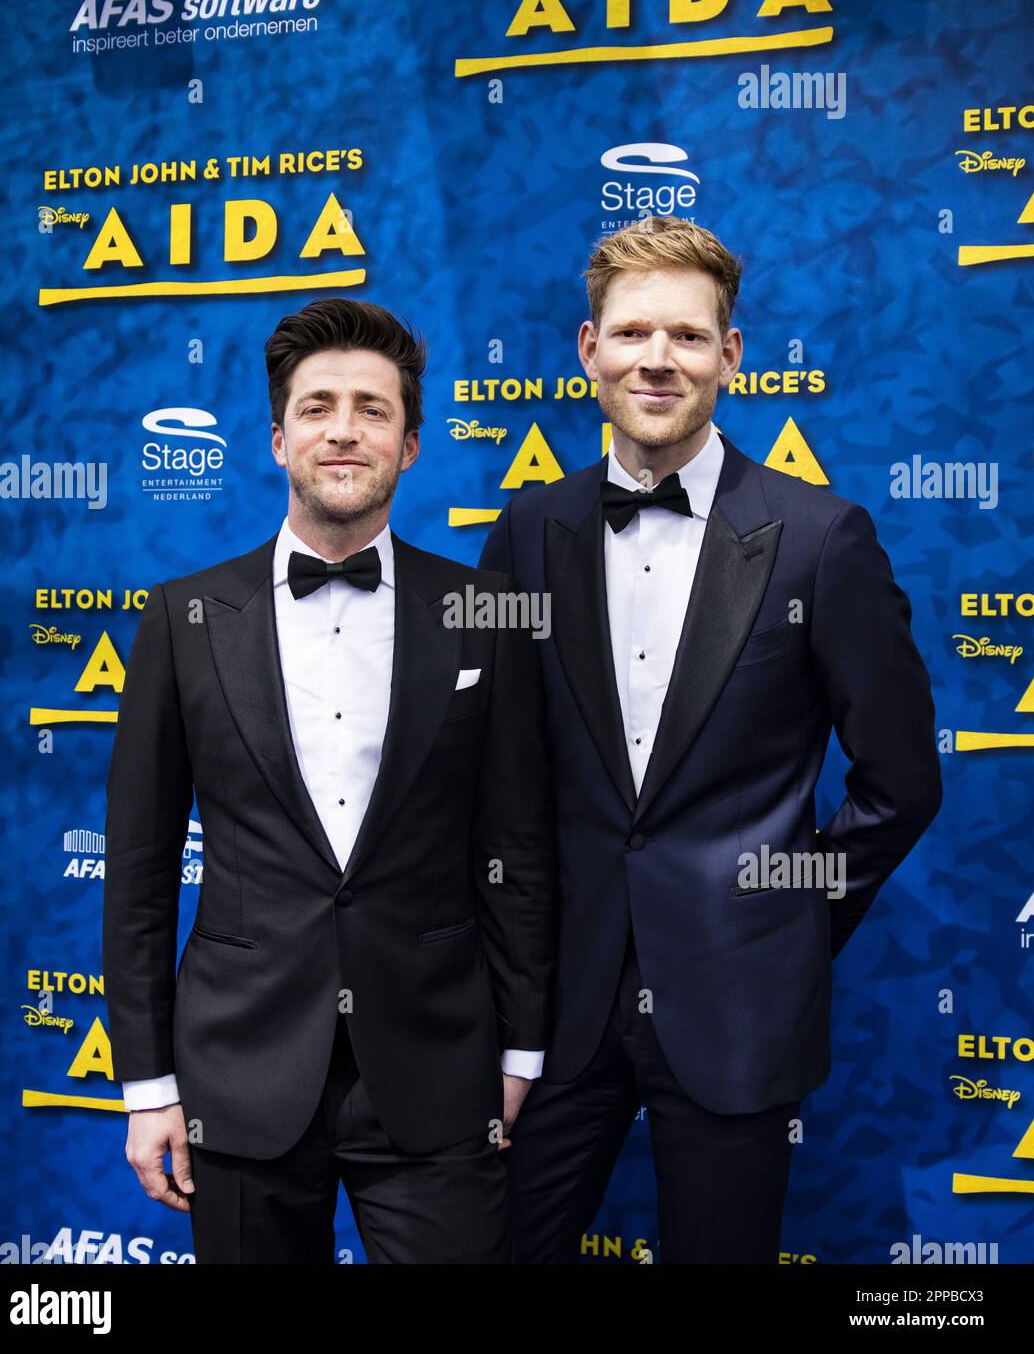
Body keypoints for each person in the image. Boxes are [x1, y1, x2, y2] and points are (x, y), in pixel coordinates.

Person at [479, 216, 942, 1264]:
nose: (658, 359)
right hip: (555, 1009)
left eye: (688, 337)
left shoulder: (824, 539)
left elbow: (902, 780)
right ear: (587, 350)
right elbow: (492, 767)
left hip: (740, 1005)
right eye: (633, 332)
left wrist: (784, 921)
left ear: (731, 357)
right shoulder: (525, 533)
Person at [103, 297, 555, 1263]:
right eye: (317, 408)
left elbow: (515, 847)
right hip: (238, 1072)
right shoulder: (183, 619)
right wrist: (148, 1087)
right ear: (277, 439)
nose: (343, 429)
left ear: (412, 445)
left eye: (371, 408)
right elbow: (139, 874)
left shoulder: (484, 612)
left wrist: (521, 1051)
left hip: (438, 1071)